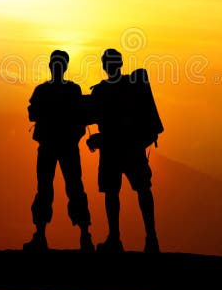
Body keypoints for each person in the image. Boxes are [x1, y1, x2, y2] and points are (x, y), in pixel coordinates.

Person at [89, 48, 160, 253]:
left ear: (106, 66)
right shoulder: (132, 87)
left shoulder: (101, 91)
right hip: (132, 147)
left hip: (113, 149)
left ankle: (116, 239)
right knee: (140, 189)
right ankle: (150, 238)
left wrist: (97, 139)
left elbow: (92, 115)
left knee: (114, 192)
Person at [24, 50, 93, 252]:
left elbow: (32, 114)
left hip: (53, 146)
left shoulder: (44, 91)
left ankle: (45, 235)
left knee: (55, 189)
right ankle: (83, 236)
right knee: (68, 188)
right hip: (64, 146)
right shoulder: (71, 90)